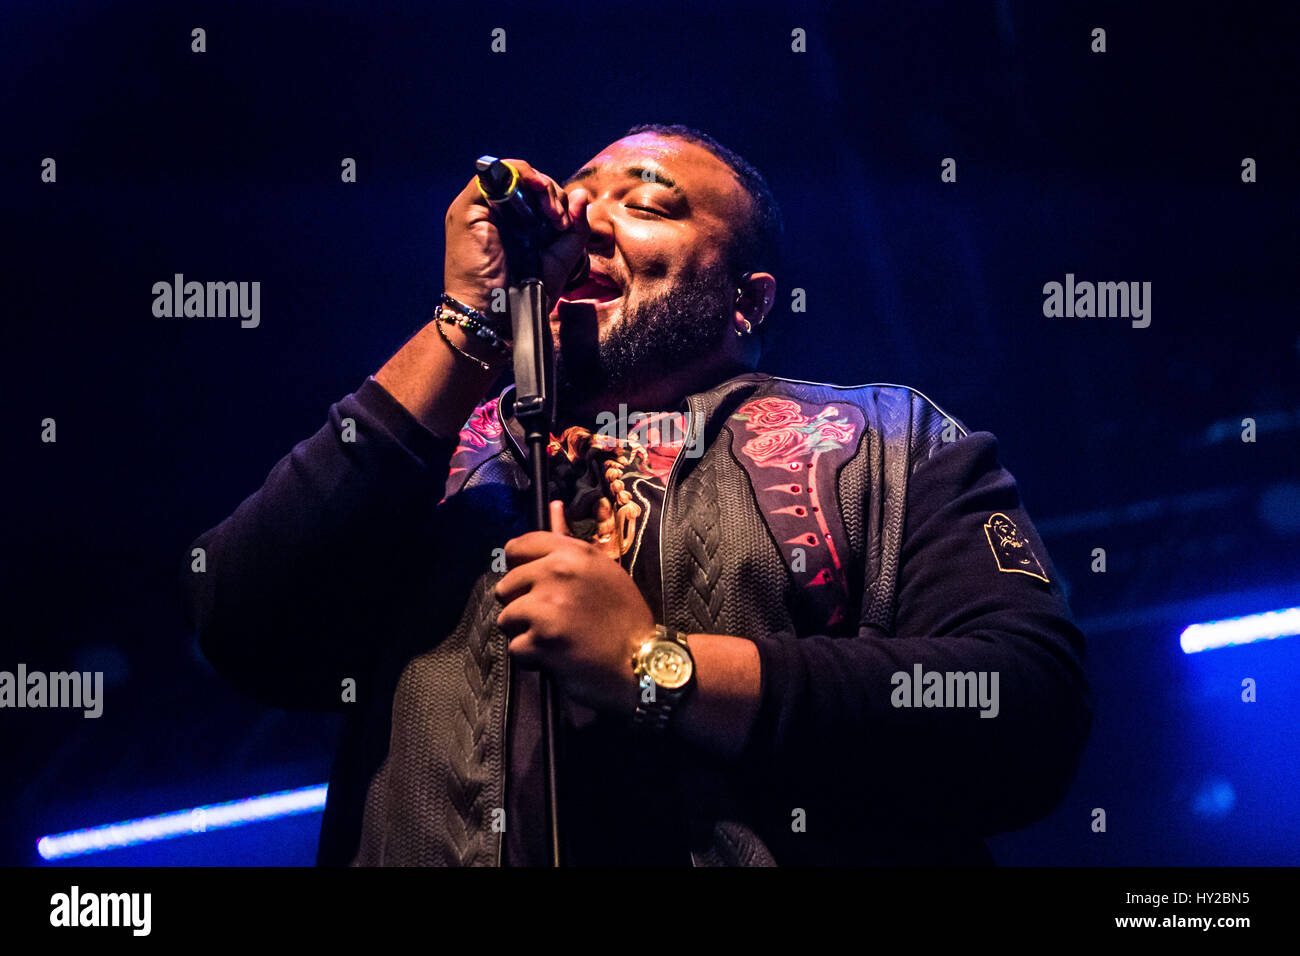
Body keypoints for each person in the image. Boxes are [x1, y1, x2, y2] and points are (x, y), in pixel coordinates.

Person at [183, 123, 1092, 866]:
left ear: (749, 300)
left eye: (650, 202)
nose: (591, 222)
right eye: (582, 197)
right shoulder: (437, 459)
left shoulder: (884, 438)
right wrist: (468, 324)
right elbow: (235, 618)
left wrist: (660, 667)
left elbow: (1023, 708)